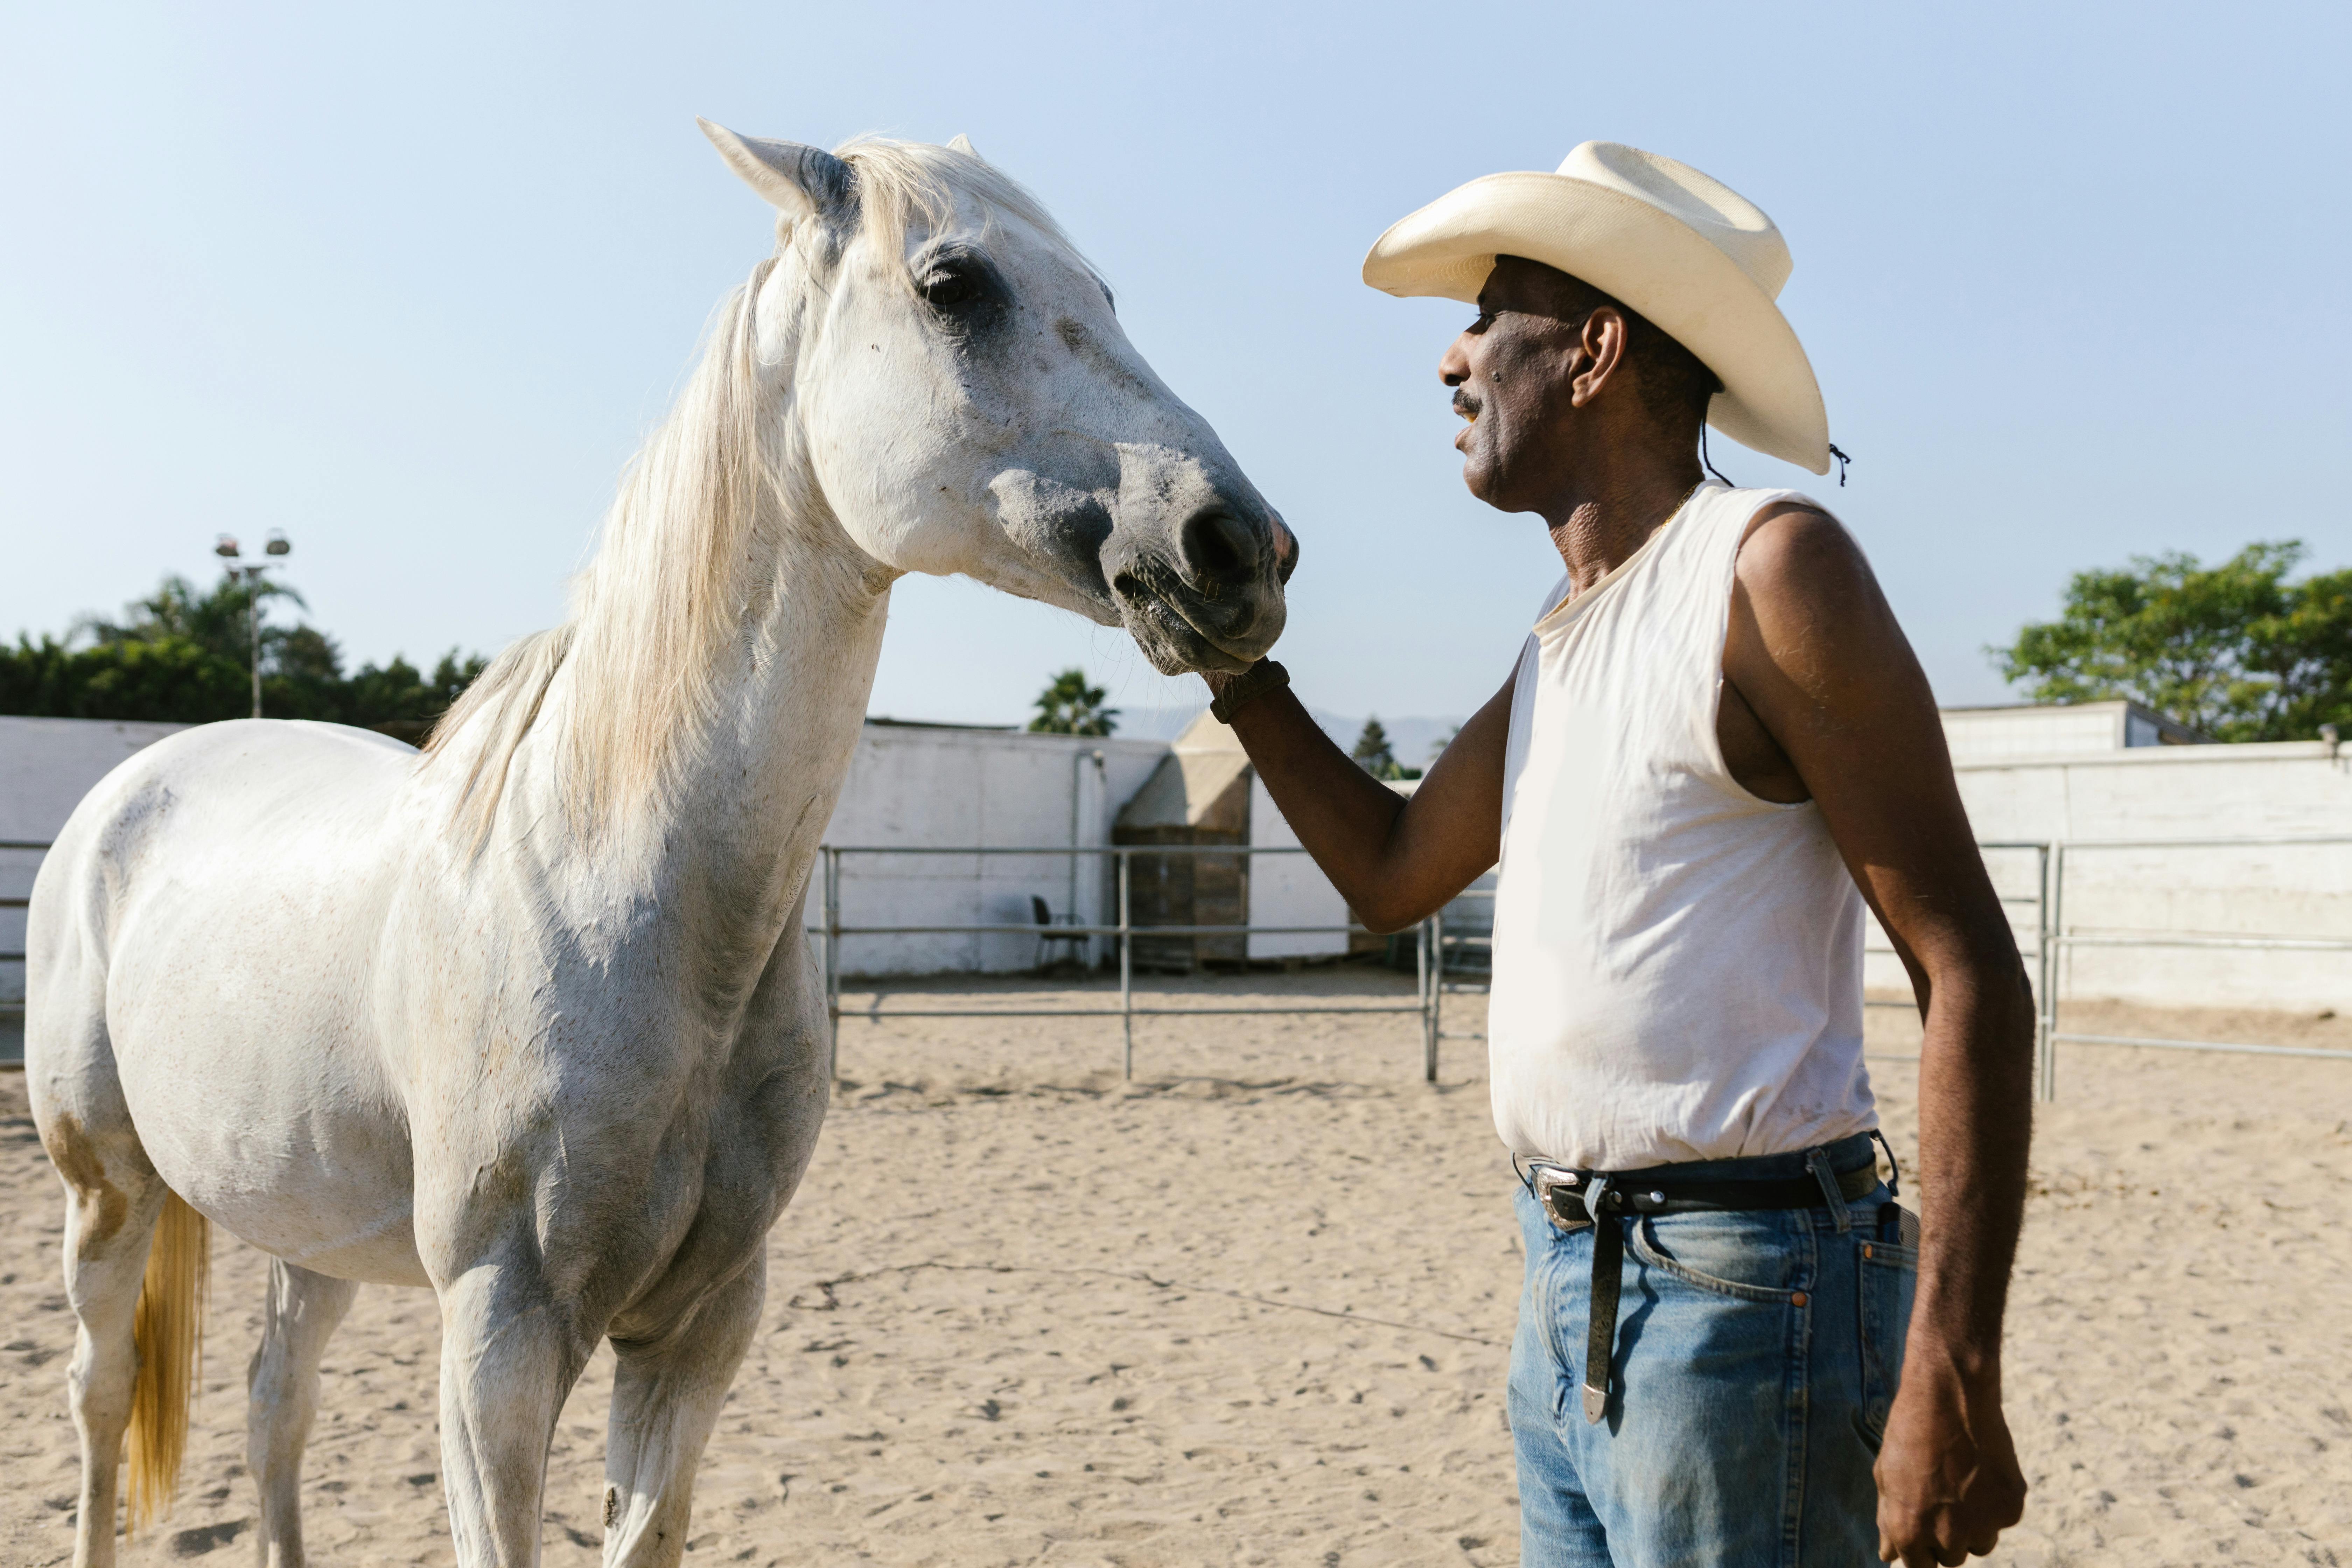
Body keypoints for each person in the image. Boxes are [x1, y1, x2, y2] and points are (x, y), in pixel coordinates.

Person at [1204, 144, 2031, 1567]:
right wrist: (1237, 671)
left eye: (1485, 317)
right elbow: (1392, 870)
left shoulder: (1770, 571)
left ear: (1591, 348)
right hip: (1563, 1284)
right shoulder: (1562, 639)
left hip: (1740, 1300)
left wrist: (1954, 1365)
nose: (1452, 361)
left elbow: (1970, 974)